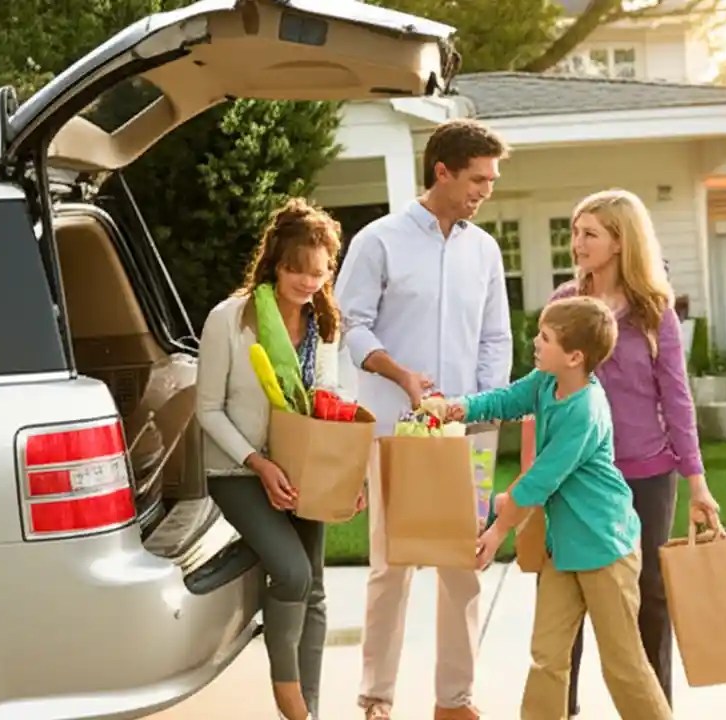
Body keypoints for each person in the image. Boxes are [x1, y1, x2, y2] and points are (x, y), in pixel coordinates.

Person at [334, 118, 513, 720]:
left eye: (490, 179)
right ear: (442, 170)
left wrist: (487, 407)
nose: (485, 191)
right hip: (394, 432)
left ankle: (454, 700)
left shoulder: (483, 250)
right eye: (477, 179)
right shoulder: (378, 241)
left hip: (466, 432)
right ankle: (376, 698)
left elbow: (495, 337)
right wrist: (401, 375)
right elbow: (352, 324)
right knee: (392, 567)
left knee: (463, 570)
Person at [439, 295, 672, 720]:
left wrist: (495, 532)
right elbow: (508, 400)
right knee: (547, 658)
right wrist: (461, 406)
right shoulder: (546, 382)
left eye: (545, 338)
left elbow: (538, 483)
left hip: (605, 550)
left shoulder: (586, 411)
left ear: (575, 356)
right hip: (563, 552)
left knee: (623, 665)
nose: (536, 342)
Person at [551, 188, 722, 714]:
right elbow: (545, 386)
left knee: (649, 589)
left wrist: (697, 483)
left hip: (646, 471)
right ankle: (563, 707)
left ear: (621, 242)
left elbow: (676, 398)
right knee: (569, 591)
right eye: (575, 232)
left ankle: (654, 708)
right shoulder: (565, 304)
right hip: (577, 474)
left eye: (589, 234)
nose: (576, 244)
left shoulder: (654, 313)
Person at [196, 197, 359, 720]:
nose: (308, 282)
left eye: (319, 271)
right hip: (238, 469)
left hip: (305, 471)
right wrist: (259, 465)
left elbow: (332, 404)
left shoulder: (324, 326)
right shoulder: (230, 319)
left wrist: (344, 479)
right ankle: (290, 699)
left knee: (313, 585)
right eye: (297, 269)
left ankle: (308, 712)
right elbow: (208, 410)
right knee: (290, 573)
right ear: (275, 261)